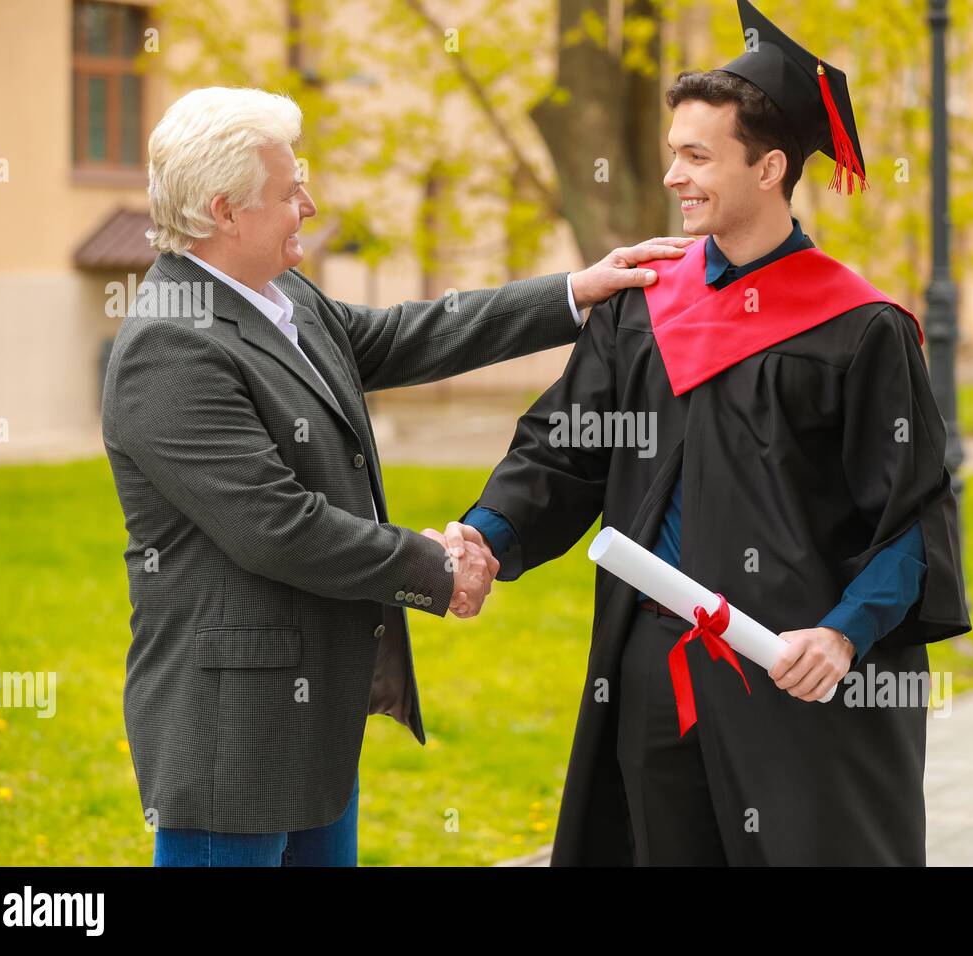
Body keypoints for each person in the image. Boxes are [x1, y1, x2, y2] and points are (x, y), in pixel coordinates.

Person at [101, 85, 692, 866]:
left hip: (314, 717)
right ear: (225, 212)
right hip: (231, 732)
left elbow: (407, 334)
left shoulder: (281, 298)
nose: (309, 204)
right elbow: (277, 528)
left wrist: (572, 293)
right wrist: (436, 571)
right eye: (289, 191)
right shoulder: (169, 347)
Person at [450, 0, 971, 864]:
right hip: (656, 660)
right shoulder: (647, 304)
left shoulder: (859, 328)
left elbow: (914, 516)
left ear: (769, 168)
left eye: (696, 156)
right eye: (672, 154)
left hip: (795, 669)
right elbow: (565, 448)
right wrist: (487, 537)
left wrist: (842, 633)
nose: (673, 177)